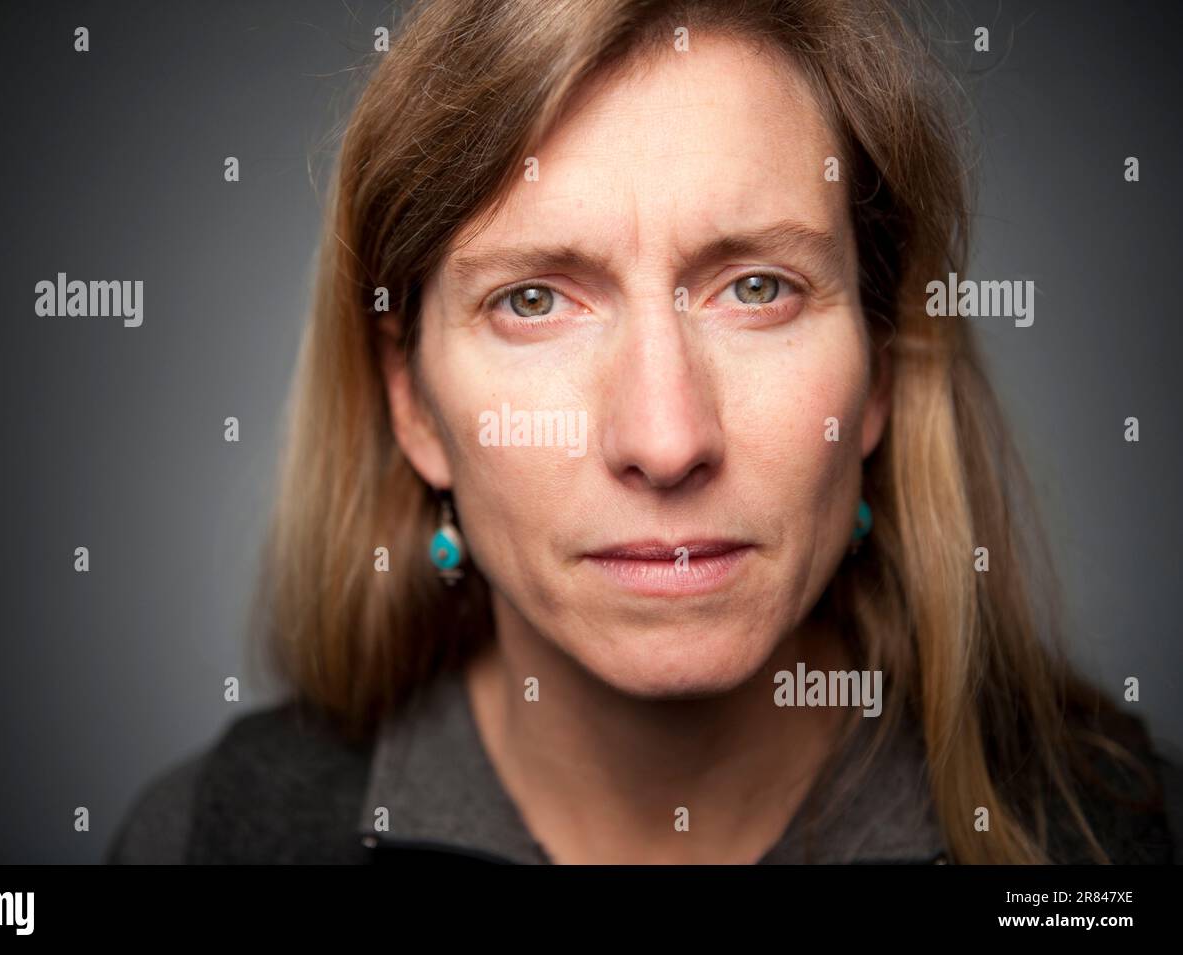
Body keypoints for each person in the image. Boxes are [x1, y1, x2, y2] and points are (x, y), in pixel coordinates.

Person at [108, 0, 1181, 865]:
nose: (666, 442)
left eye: (756, 287)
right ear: (413, 403)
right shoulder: (215, 838)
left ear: (881, 374)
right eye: (534, 300)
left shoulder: (1116, 842)